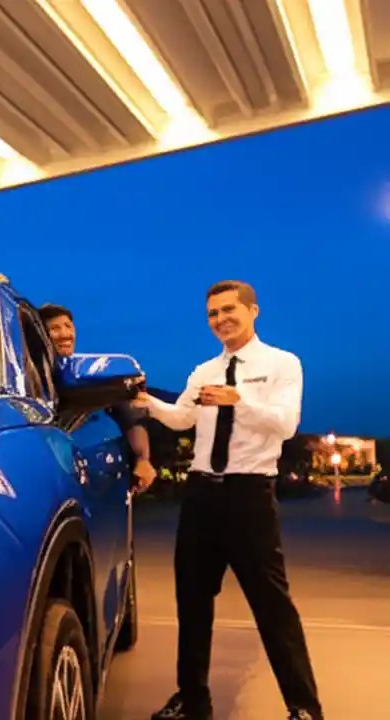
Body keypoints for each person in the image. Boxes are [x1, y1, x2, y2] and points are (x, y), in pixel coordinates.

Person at [134, 281, 321, 720]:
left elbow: (287, 424)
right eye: (213, 314)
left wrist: (240, 401)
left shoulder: (281, 364)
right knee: (193, 603)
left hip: (249, 495)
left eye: (229, 310)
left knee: (272, 607)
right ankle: (193, 700)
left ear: (253, 311)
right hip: (201, 495)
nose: (221, 319)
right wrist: (148, 403)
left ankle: (304, 707)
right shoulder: (203, 371)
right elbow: (183, 418)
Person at [39, 303, 156, 491]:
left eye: (68, 326)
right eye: (54, 329)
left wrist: (143, 459)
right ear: (41, 337)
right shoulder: (28, 378)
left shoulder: (87, 375)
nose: (65, 334)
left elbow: (129, 411)